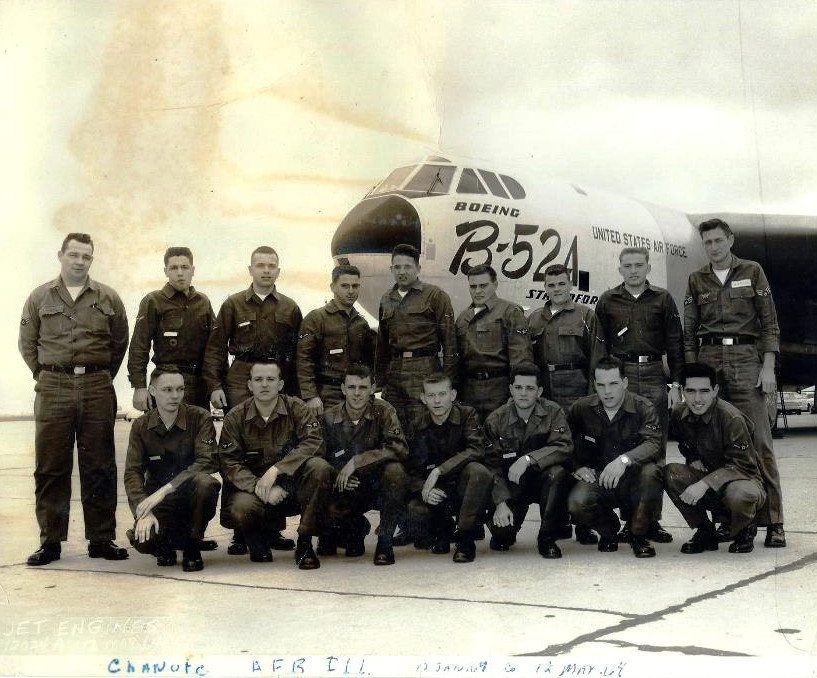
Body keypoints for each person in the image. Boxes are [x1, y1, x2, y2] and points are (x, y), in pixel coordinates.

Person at [19, 233, 129, 566]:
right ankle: (50, 542)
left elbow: (119, 342)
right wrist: (47, 374)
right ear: (61, 255)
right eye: (74, 255)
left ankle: (101, 539)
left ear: (91, 260)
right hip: (53, 385)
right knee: (52, 466)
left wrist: (99, 375)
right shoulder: (39, 297)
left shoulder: (108, 297)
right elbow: (27, 344)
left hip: (96, 385)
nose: (80, 261)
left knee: (99, 465)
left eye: (86, 257)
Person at [683, 218, 785, 548]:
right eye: (707, 242)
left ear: (730, 239)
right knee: (711, 442)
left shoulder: (753, 271)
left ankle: (774, 522)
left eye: (717, 240)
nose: (713, 247)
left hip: (745, 359)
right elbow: (689, 333)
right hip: (709, 359)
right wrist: (691, 377)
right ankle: (729, 521)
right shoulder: (696, 279)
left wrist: (767, 367)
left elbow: (769, 323)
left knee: (759, 443)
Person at [203, 246, 301, 554]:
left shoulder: (289, 307)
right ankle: (239, 530)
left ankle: (272, 529)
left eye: (272, 265)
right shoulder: (233, 304)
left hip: (276, 376)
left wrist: (294, 392)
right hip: (243, 377)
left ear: (279, 271)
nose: (266, 270)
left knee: (275, 449)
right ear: (250, 270)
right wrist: (215, 386)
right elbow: (216, 349)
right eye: (260, 265)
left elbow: (298, 356)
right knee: (239, 451)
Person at [595, 246, 683, 545]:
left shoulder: (663, 298)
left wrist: (676, 385)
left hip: (655, 374)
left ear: (648, 268)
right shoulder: (608, 300)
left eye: (638, 265)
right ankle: (627, 521)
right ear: (619, 269)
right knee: (623, 448)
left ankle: (650, 521)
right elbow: (601, 346)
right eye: (627, 266)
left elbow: (675, 343)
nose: (633, 270)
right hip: (622, 377)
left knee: (654, 450)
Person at [217, 361, 331, 569]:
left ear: (280, 384)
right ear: (250, 385)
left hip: (292, 490)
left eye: (270, 379)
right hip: (256, 493)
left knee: (319, 467)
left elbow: (315, 442)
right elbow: (229, 462)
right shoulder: (235, 417)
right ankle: (256, 538)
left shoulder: (297, 408)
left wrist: (277, 469)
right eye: (258, 380)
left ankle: (305, 543)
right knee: (241, 507)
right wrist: (261, 488)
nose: (264, 385)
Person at [528, 263, 605, 546]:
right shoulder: (534, 319)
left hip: (576, 388)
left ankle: (583, 523)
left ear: (570, 285)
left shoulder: (586, 315)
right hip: (547, 393)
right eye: (551, 285)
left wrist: (591, 396)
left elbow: (596, 357)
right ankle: (558, 521)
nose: (556, 290)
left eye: (561, 284)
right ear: (544, 288)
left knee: (581, 453)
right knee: (554, 454)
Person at [123, 367, 221, 571]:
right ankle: (166, 543)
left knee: (207, 483)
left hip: (190, 497)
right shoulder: (141, 426)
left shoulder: (200, 417)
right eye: (167, 390)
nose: (175, 396)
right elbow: (132, 473)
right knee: (144, 542)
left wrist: (165, 489)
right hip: (159, 502)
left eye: (180, 389)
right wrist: (143, 511)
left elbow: (206, 462)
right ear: (152, 391)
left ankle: (192, 546)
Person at [566, 357, 664, 558]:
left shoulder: (643, 407)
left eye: (613, 384)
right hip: (598, 479)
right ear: (594, 384)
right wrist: (576, 466)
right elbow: (563, 443)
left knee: (651, 472)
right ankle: (609, 531)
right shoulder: (581, 409)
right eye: (601, 385)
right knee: (577, 502)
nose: (607, 391)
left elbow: (654, 444)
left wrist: (623, 460)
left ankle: (638, 535)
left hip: (632, 479)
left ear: (625, 383)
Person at [665, 363, 766, 554]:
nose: (697, 399)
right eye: (691, 391)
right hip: (711, 481)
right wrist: (692, 456)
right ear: (683, 392)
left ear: (715, 390)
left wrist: (704, 483)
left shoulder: (731, 418)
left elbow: (743, 466)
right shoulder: (679, 413)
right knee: (671, 473)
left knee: (740, 494)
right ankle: (705, 531)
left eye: (704, 391)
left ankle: (744, 528)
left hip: (742, 480)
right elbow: (682, 440)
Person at [320, 365, 409, 565]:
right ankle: (356, 530)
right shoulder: (328, 418)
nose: (357, 393)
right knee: (342, 541)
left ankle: (385, 541)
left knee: (396, 471)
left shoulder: (384, 411)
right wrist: (336, 476)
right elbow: (319, 458)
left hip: (377, 485)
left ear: (372, 388)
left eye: (363, 387)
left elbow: (399, 448)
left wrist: (357, 462)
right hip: (346, 488)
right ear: (343, 389)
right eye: (352, 387)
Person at [483, 364, 573, 558]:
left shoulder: (553, 411)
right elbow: (491, 466)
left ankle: (547, 537)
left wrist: (528, 459)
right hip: (513, 486)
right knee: (501, 536)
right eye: (518, 388)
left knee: (557, 473)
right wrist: (500, 503)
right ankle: (507, 530)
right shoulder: (495, 420)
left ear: (539, 391)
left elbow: (564, 446)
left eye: (530, 388)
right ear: (511, 389)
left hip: (544, 481)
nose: (523, 393)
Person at [405, 373, 493, 563]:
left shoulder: (468, 415)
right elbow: (412, 469)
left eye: (442, 394)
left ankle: (465, 539)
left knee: (479, 472)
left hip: (463, 487)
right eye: (431, 395)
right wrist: (424, 490)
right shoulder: (417, 425)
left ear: (452, 395)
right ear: (423, 398)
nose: (437, 401)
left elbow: (476, 449)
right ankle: (442, 531)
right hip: (437, 492)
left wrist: (439, 470)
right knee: (414, 510)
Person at [374, 243, 457, 431]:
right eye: (397, 267)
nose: (402, 272)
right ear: (391, 269)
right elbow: (382, 344)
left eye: (408, 267)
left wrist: (448, 381)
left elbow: (450, 343)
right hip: (394, 372)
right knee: (393, 425)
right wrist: (380, 381)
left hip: (424, 369)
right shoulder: (387, 298)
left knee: (422, 425)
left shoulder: (435, 295)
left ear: (418, 268)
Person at [127, 247, 216, 411]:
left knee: (198, 433)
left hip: (199, 385)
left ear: (193, 270)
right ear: (165, 271)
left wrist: (216, 386)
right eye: (174, 268)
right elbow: (139, 347)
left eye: (185, 267)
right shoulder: (153, 301)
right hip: (165, 382)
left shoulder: (203, 302)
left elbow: (215, 348)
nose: (180, 273)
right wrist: (139, 387)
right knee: (164, 435)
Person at [455, 264, 532, 421]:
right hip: (470, 392)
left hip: (500, 391)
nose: (477, 291)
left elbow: (521, 359)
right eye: (473, 286)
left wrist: (516, 394)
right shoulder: (463, 318)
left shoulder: (510, 312)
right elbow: (458, 362)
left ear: (495, 284)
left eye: (483, 286)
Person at [297, 264, 375, 415]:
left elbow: (368, 362)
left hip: (356, 394)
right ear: (332, 287)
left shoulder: (361, 323)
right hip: (327, 394)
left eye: (355, 286)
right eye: (345, 286)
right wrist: (311, 396)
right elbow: (303, 360)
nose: (351, 291)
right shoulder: (316, 319)